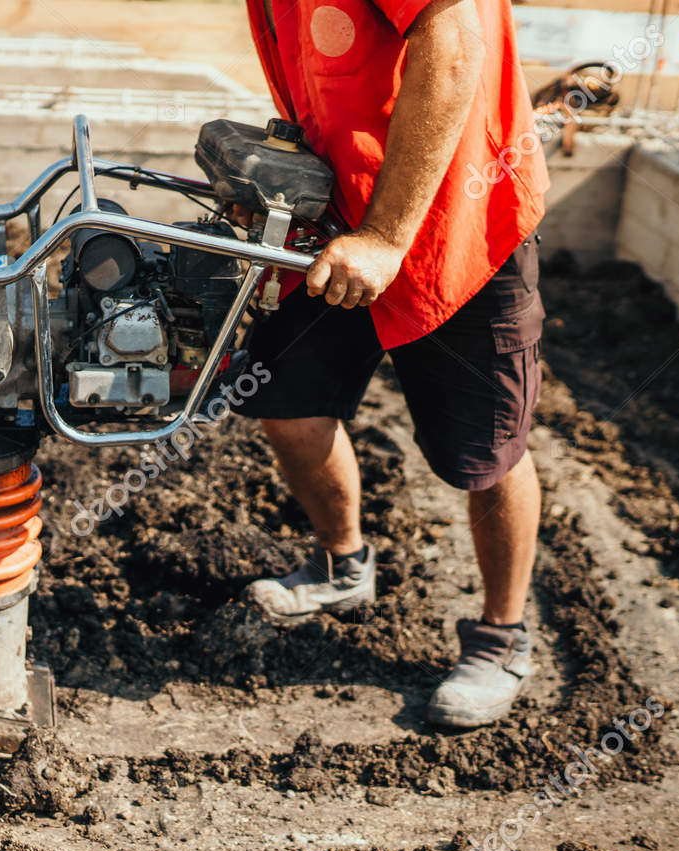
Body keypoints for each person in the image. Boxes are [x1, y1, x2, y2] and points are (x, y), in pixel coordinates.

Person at [236, 0, 548, 728]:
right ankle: (343, 567)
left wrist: (386, 235)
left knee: (485, 454)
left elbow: (452, 39)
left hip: (459, 218)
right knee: (287, 405)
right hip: (341, 212)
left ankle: (502, 635)